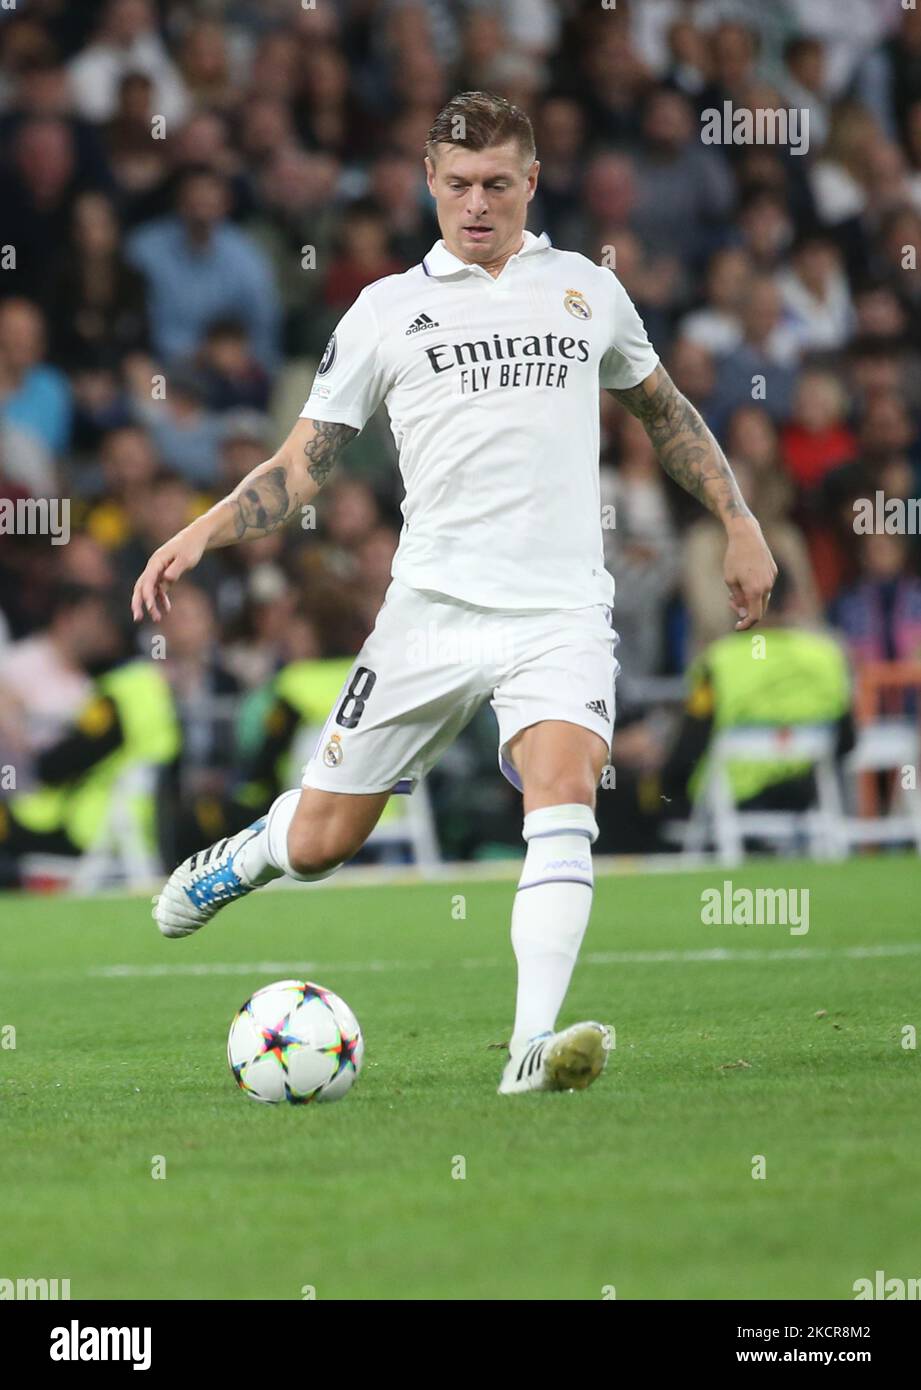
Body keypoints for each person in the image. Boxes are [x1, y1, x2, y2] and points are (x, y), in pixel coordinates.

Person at [132, 92, 776, 1097]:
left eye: (498, 184)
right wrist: (203, 529)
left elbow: (664, 410)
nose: (478, 204)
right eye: (461, 184)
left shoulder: (586, 289)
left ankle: (530, 1048)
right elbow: (302, 466)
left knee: (565, 791)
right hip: (429, 615)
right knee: (321, 843)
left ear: (532, 182)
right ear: (429, 182)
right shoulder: (385, 311)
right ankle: (250, 855)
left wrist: (737, 518)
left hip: (559, 608)